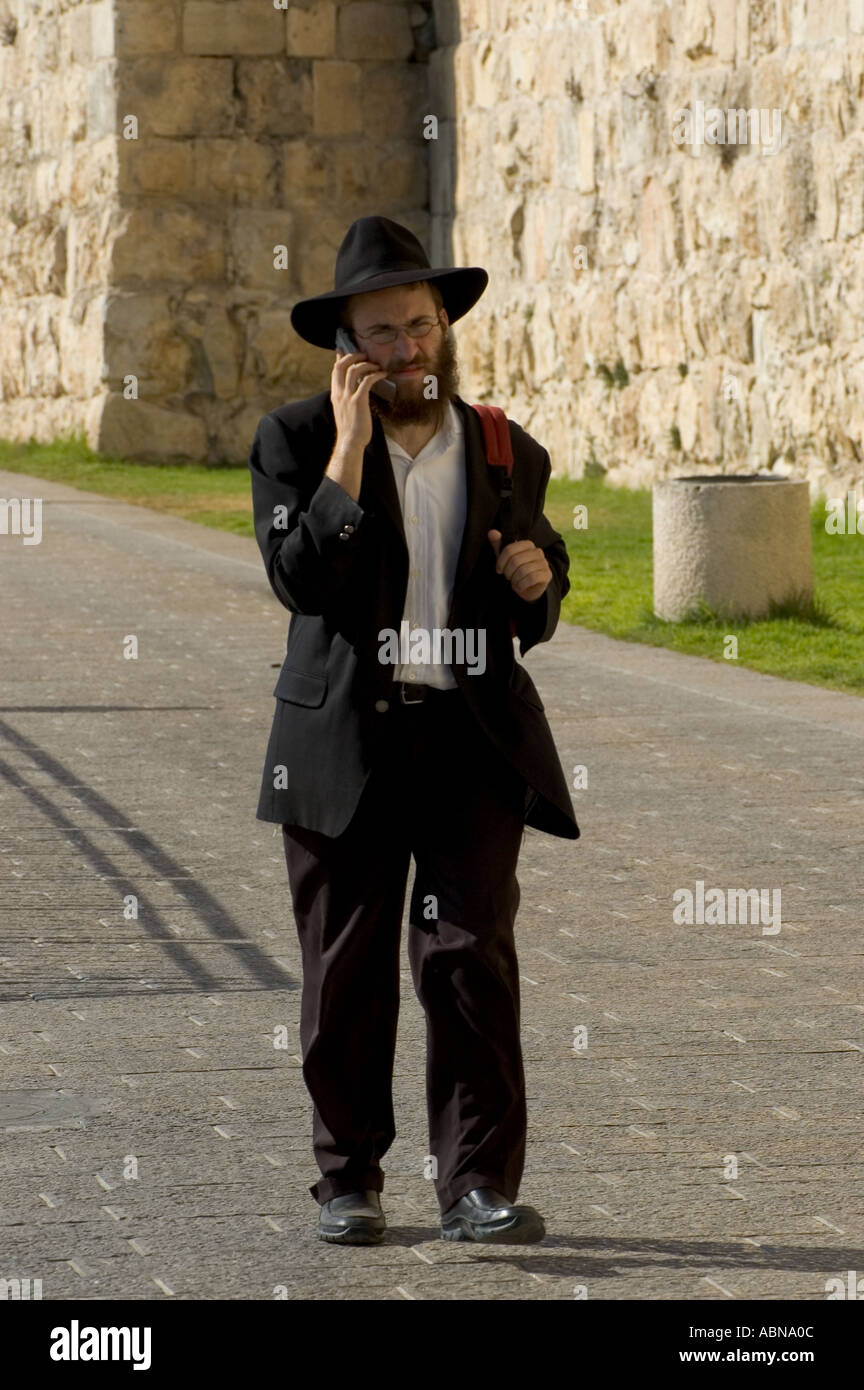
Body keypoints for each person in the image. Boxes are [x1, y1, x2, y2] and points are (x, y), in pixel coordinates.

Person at [248, 215, 580, 1246]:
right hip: (345, 743)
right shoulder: (297, 443)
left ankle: (477, 1181)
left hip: (468, 746)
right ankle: (348, 1179)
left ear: (446, 328)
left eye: (422, 325)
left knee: (467, 958)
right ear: (347, 348)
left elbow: (536, 585)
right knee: (345, 970)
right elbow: (299, 579)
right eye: (383, 332)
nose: (409, 349)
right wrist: (350, 453)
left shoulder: (502, 446)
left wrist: (539, 583)